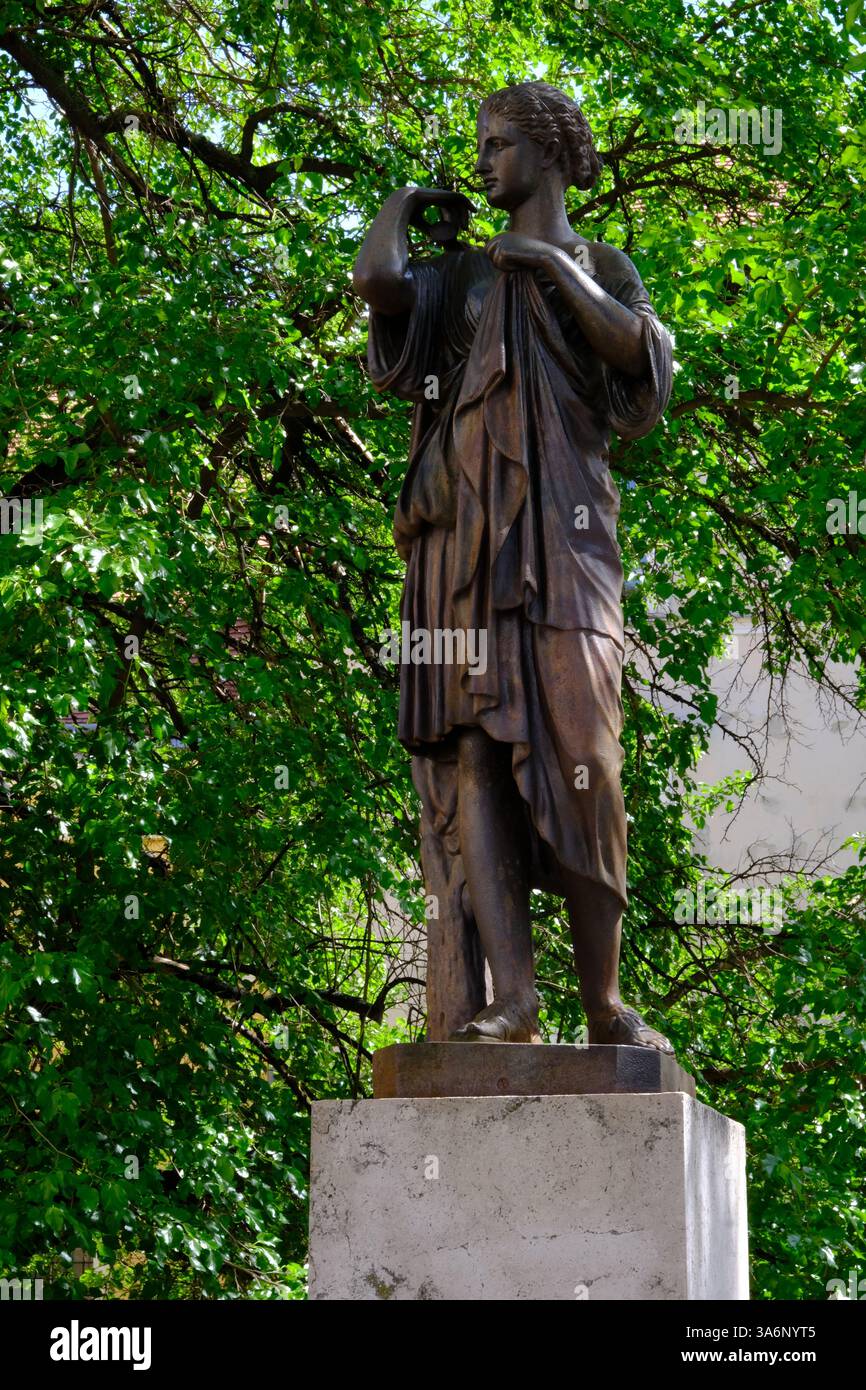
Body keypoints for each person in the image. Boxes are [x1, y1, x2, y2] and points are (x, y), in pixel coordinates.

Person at [353, 82, 674, 1049]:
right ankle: (514, 1001)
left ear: (547, 150)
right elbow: (376, 282)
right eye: (480, 145)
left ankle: (605, 1002)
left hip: (567, 548)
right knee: (476, 754)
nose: (484, 159)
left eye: (498, 144)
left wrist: (548, 264)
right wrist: (408, 206)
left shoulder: (600, 263)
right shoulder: (460, 279)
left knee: (586, 755)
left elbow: (642, 362)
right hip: (463, 543)